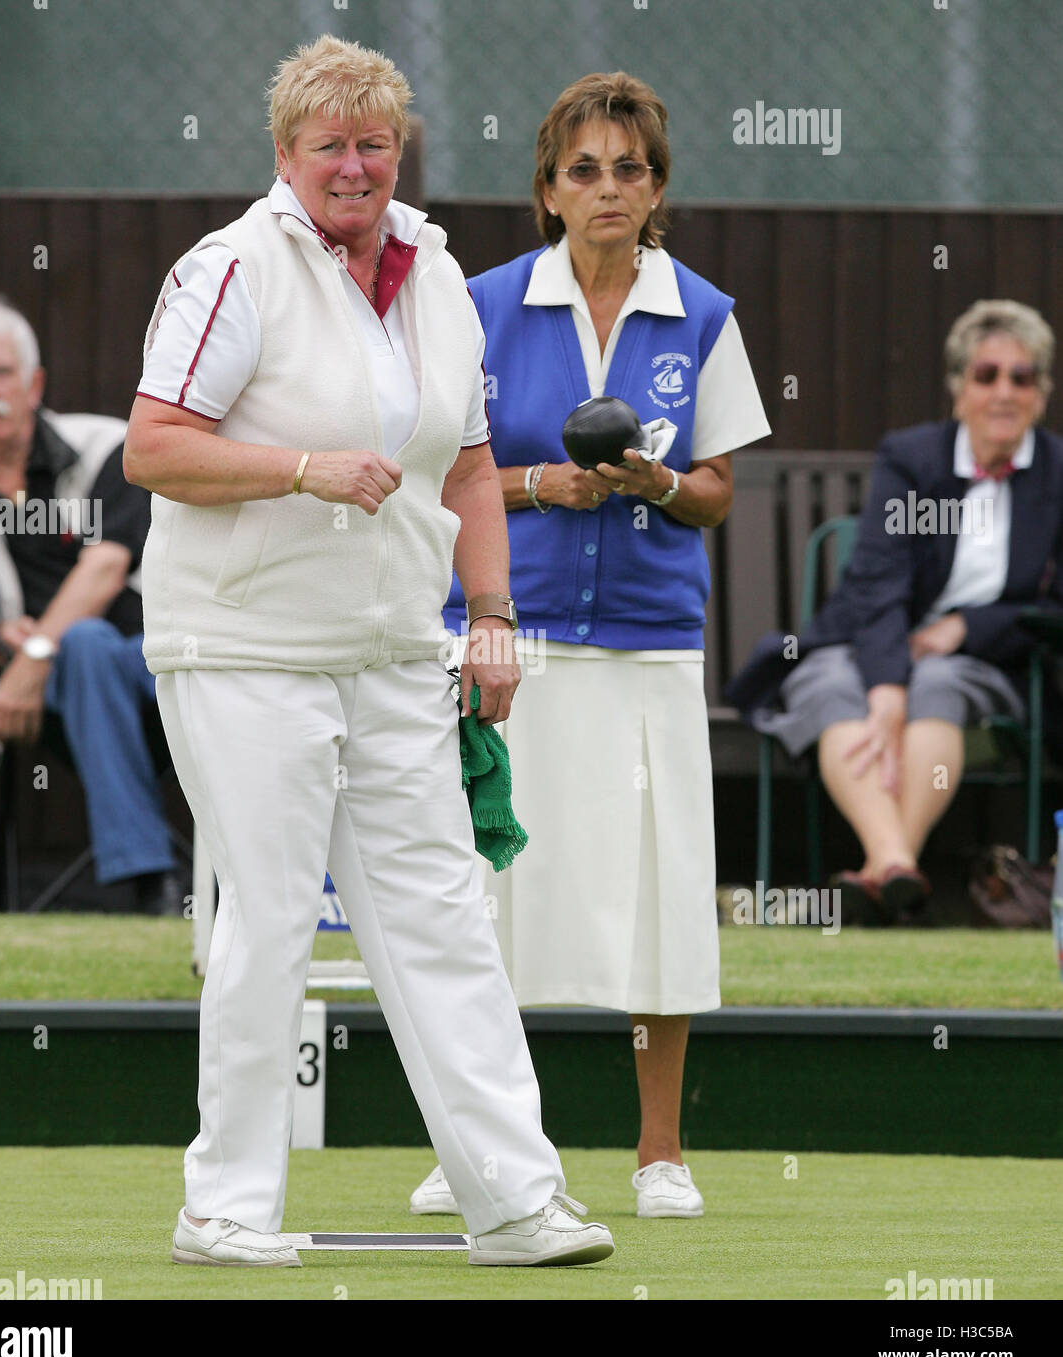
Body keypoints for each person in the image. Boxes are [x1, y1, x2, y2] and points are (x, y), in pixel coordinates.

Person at [124, 34, 612, 1269]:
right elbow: (154, 447)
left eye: (375, 143)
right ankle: (222, 1210)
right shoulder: (229, 269)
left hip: (397, 649)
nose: (355, 166)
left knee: (445, 912)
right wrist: (299, 468)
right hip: (241, 648)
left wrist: (489, 617)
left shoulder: (437, 274)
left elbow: (462, 461)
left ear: (400, 152)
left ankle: (513, 1201)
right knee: (272, 913)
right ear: (286, 153)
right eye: (330, 144)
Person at [410, 71, 771, 1221]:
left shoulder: (701, 313)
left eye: (628, 169)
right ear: (547, 191)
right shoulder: (479, 304)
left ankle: (658, 1152)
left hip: (649, 644)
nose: (606, 188)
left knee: (659, 891)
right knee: (481, 894)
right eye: (583, 170)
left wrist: (655, 481)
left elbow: (714, 491)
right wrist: (541, 486)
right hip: (508, 637)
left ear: (655, 187)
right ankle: (480, 1152)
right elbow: (442, 472)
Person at [726, 300, 1063, 925]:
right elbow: (877, 583)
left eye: (1023, 377)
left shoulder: (1057, 475)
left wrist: (967, 627)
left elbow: (1055, 606)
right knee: (828, 684)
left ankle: (877, 874)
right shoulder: (913, 459)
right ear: (959, 388)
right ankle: (896, 866)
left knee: (938, 681)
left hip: (981, 665)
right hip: (865, 644)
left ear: (1042, 394)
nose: (1004, 392)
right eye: (986, 375)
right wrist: (885, 684)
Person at [0, 298, 180, 914]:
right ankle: (153, 887)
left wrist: (35, 652)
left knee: (87, 643)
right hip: (53, 706)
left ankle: (150, 882)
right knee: (84, 649)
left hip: (165, 667)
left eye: (1, 373)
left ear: (33, 384)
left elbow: (107, 567)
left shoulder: (109, 447)